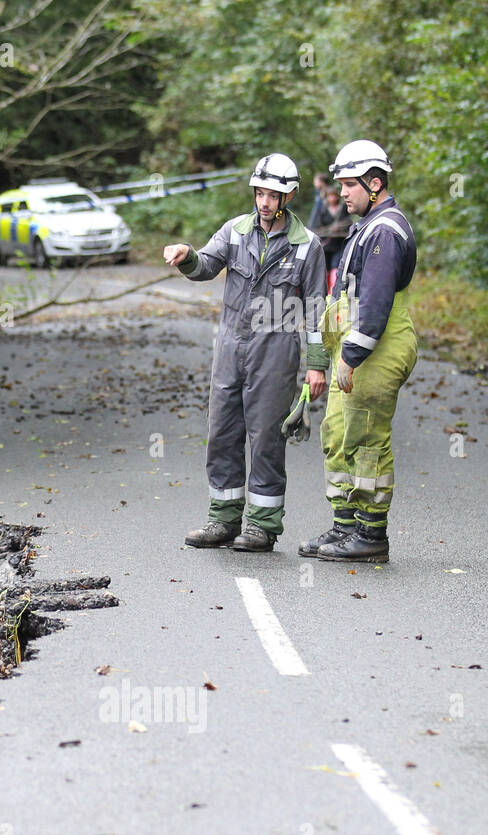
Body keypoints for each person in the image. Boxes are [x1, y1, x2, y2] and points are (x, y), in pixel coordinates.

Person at [164, 153, 327, 552]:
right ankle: (222, 518)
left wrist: (317, 365)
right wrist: (187, 256)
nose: (265, 202)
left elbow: (316, 310)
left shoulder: (307, 247)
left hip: (276, 351)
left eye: (273, 195)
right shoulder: (234, 231)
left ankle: (262, 526)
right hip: (231, 347)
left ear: (288, 197)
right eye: (260, 193)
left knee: (267, 437)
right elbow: (206, 265)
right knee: (222, 431)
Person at [299, 140, 417, 564]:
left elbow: (376, 302)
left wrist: (351, 355)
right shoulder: (369, 225)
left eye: (349, 185)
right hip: (353, 349)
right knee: (336, 433)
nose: (342, 193)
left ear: (374, 181)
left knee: (366, 436)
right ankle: (344, 526)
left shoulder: (385, 230)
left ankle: (370, 535)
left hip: (374, 348)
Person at [312, 184, 351, 285]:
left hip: (339, 244)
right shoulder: (323, 210)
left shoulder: (343, 208)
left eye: (334, 195)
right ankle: (324, 289)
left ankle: (333, 289)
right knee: (325, 267)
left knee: (336, 265)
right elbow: (317, 227)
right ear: (327, 197)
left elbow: (348, 223)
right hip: (325, 244)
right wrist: (329, 230)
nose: (332, 198)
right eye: (330, 196)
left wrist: (339, 228)